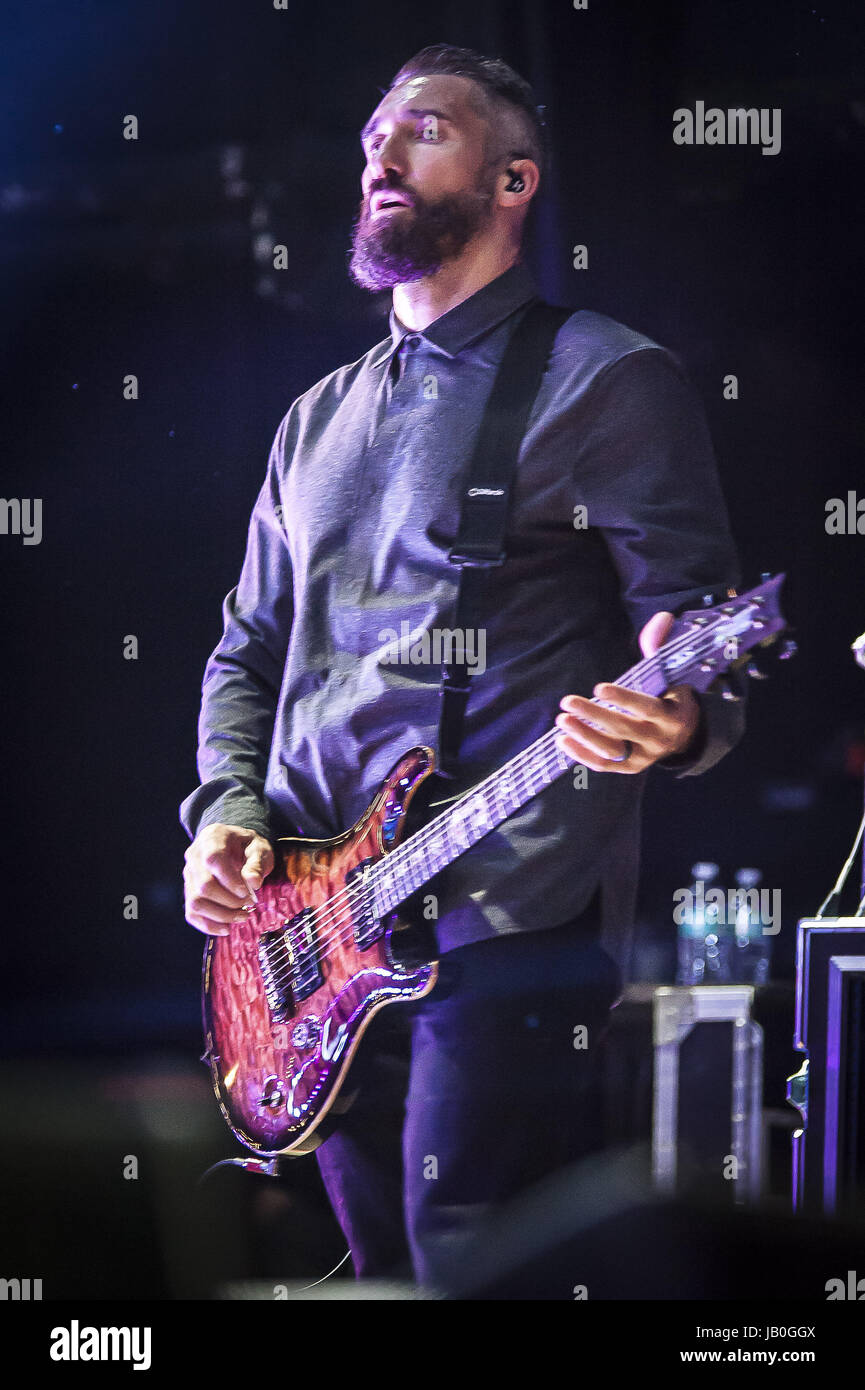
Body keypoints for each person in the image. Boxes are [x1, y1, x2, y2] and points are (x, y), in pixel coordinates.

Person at [180, 44, 744, 1290]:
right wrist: (223, 813)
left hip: (502, 916)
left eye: (424, 132)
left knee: (470, 1263)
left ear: (512, 182)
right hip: (305, 937)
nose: (381, 154)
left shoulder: (606, 377)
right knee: (373, 1268)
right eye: (375, 135)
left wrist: (682, 709)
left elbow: (697, 632)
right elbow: (247, 648)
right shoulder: (316, 416)